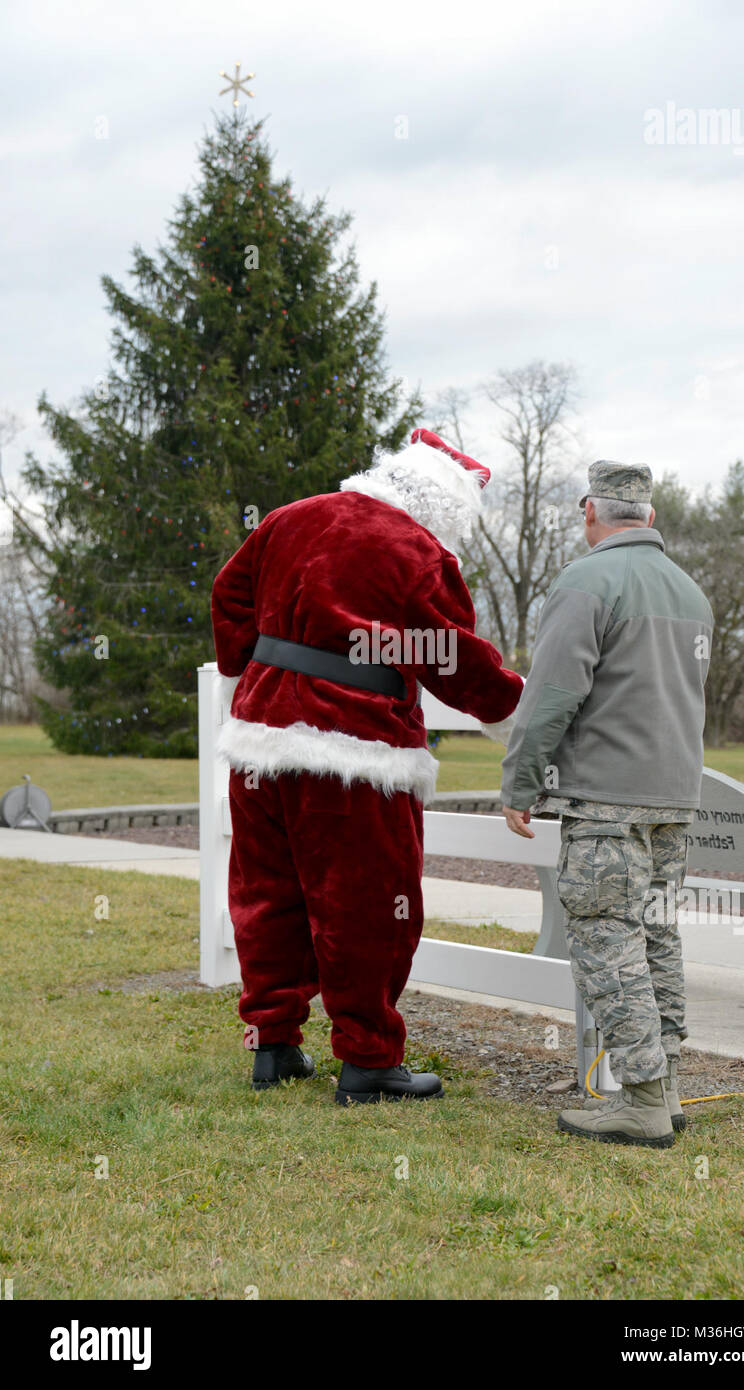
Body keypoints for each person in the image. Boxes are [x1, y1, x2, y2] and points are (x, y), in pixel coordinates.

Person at [211, 428, 522, 1105]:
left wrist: (250, 666)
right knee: (368, 905)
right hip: (354, 752)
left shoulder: (288, 520)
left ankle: (275, 1043)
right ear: (444, 507)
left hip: (260, 743)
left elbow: (229, 595)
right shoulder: (414, 549)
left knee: (269, 893)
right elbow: (447, 653)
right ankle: (369, 1060)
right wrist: (509, 708)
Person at [500, 461, 714, 1147]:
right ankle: (668, 1087)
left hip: (607, 801)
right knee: (655, 936)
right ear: (648, 518)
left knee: (606, 940)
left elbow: (552, 695)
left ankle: (643, 1100)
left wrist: (520, 781)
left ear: (589, 512)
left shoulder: (586, 581)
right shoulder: (691, 593)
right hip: (674, 799)